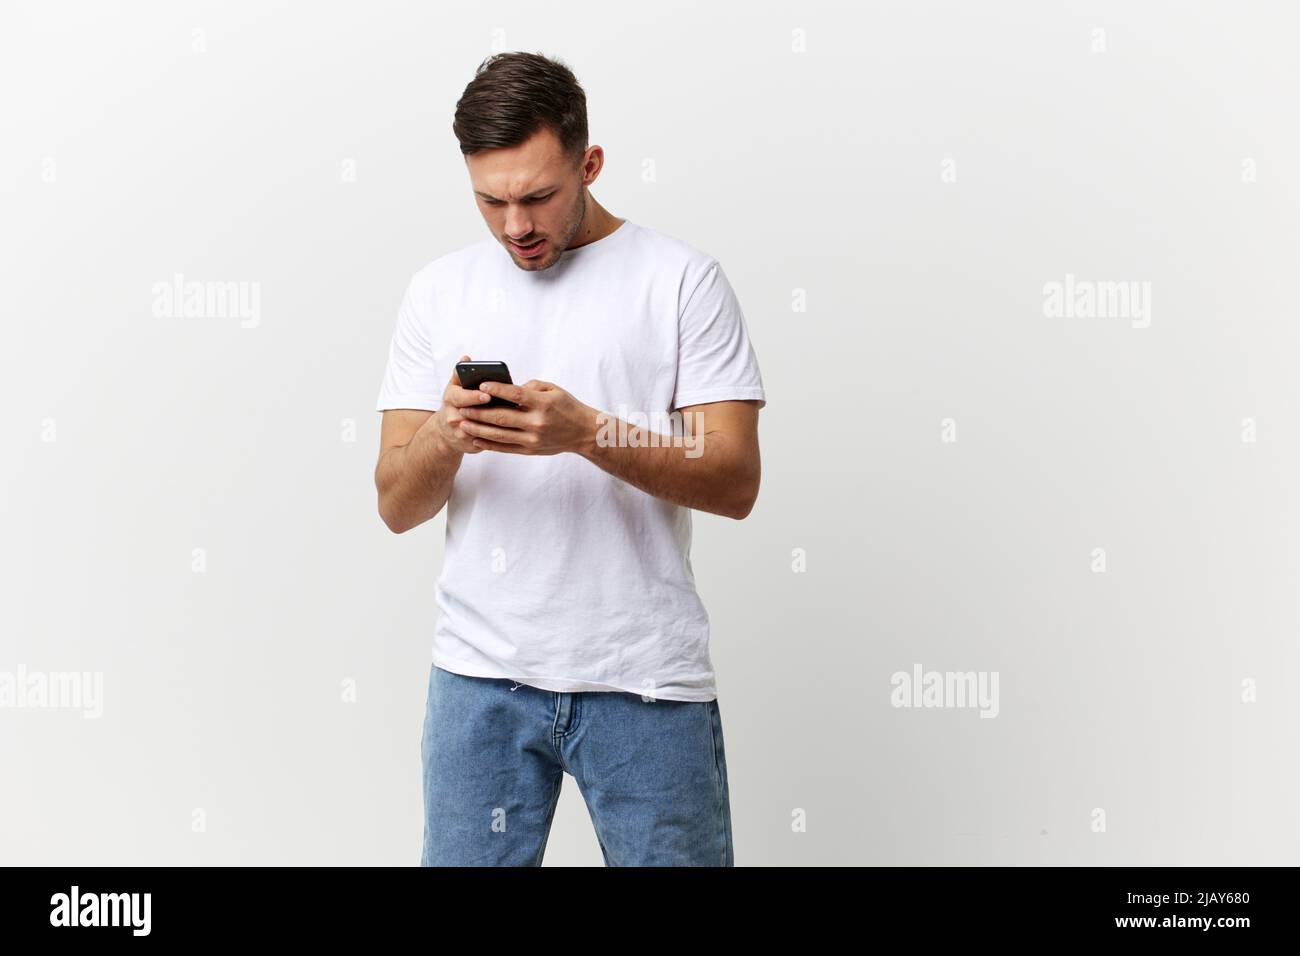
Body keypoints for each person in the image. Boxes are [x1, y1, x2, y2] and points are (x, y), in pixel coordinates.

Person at [373, 51, 766, 866]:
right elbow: (395, 505)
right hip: (478, 684)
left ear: (589, 164)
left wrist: (588, 433)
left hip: (645, 683)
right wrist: (447, 435)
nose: (516, 225)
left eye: (539, 196)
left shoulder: (682, 282)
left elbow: (734, 482)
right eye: (491, 200)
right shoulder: (437, 293)